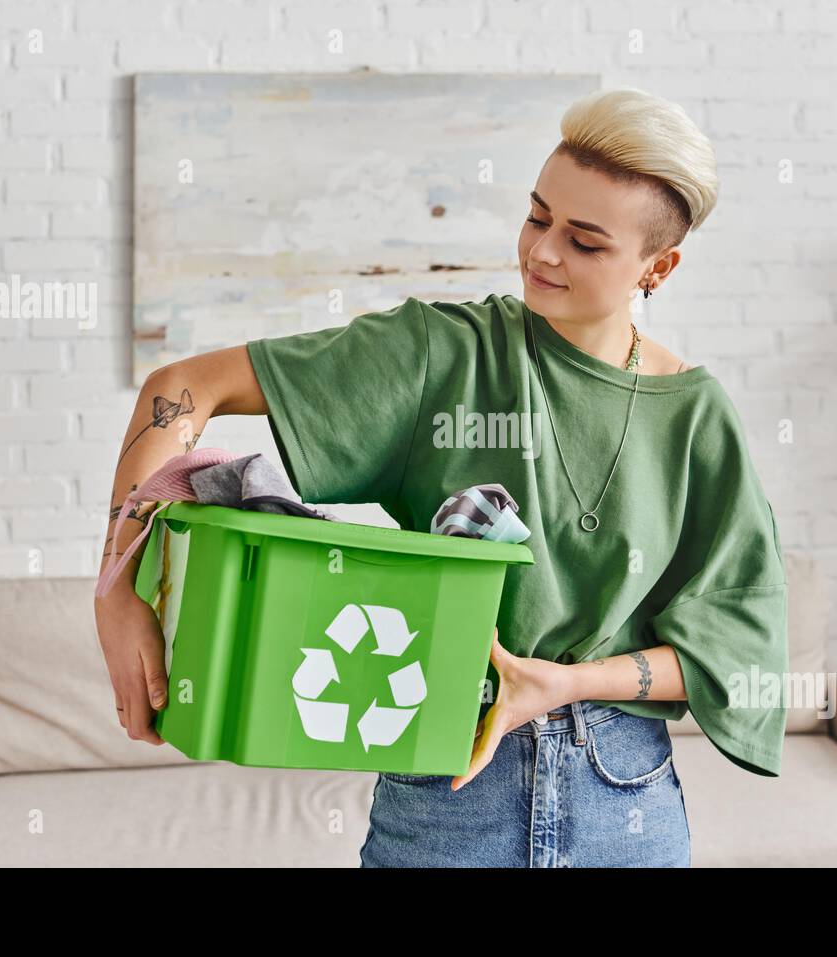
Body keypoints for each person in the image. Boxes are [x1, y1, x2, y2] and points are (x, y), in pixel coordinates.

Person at [93, 87, 788, 868]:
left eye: (585, 241)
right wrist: (117, 587)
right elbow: (181, 389)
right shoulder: (440, 353)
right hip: (452, 787)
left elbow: (735, 654)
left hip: (623, 794)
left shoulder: (695, 415)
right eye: (537, 216)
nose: (543, 251)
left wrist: (565, 681)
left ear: (658, 266)